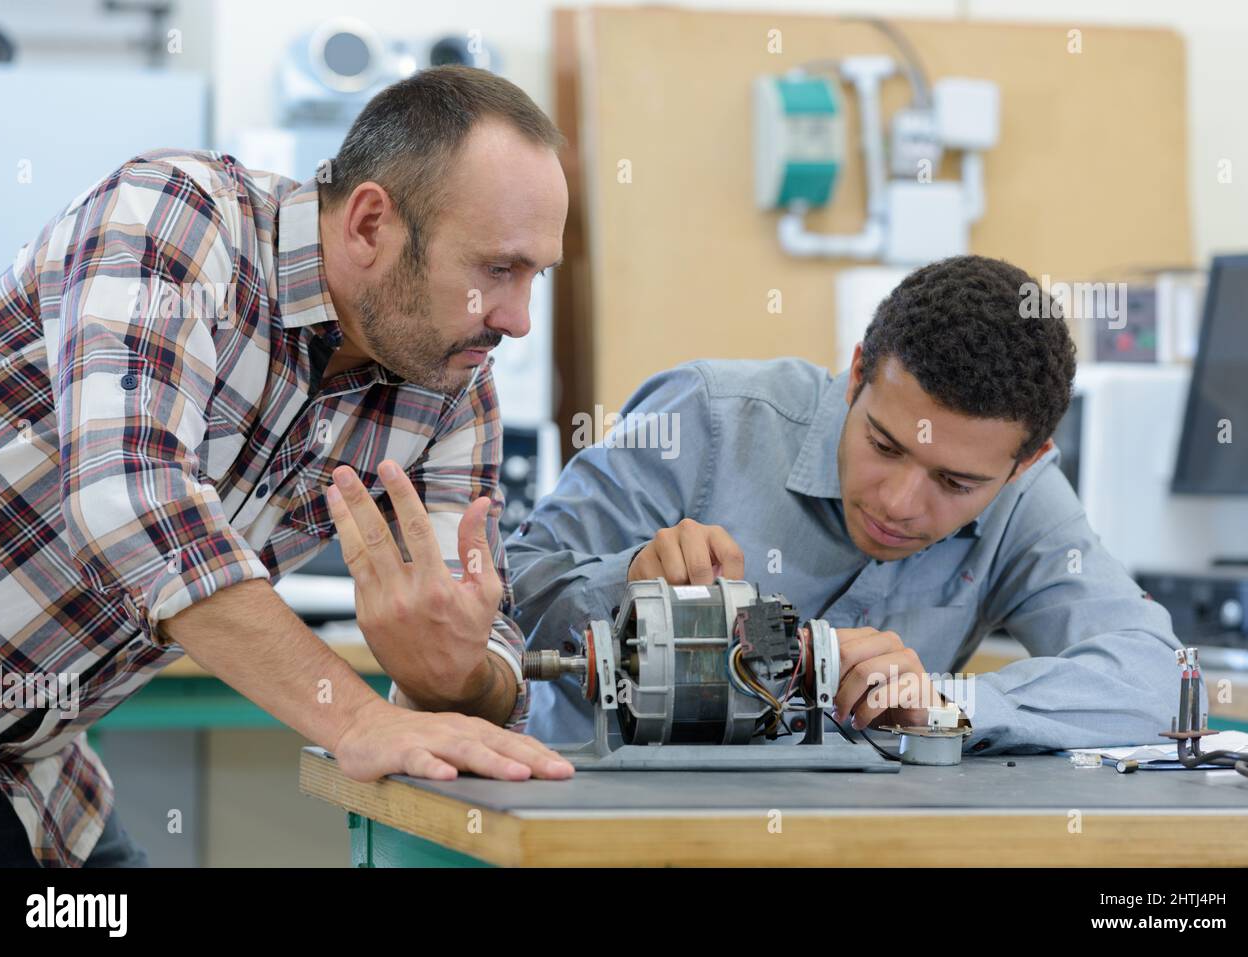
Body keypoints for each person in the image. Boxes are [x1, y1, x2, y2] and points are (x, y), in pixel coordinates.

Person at [0, 65, 573, 869]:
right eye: (498, 269)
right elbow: (132, 498)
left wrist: (460, 673)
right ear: (369, 224)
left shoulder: (450, 384)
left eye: (537, 275)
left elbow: (483, 638)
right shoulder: (177, 217)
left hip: (31, 767)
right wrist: (358, 717)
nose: (519, 319)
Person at [507, 255, 1187, 752]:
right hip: (591, 828)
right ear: (858, 372)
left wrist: (949, 701)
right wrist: (624, 579)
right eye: (884, 444)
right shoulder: (706, 419)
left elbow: (1155, 676)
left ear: (1025, 463)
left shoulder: (1025, 498)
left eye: (954, 484)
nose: (898, 502)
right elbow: (505, 596)